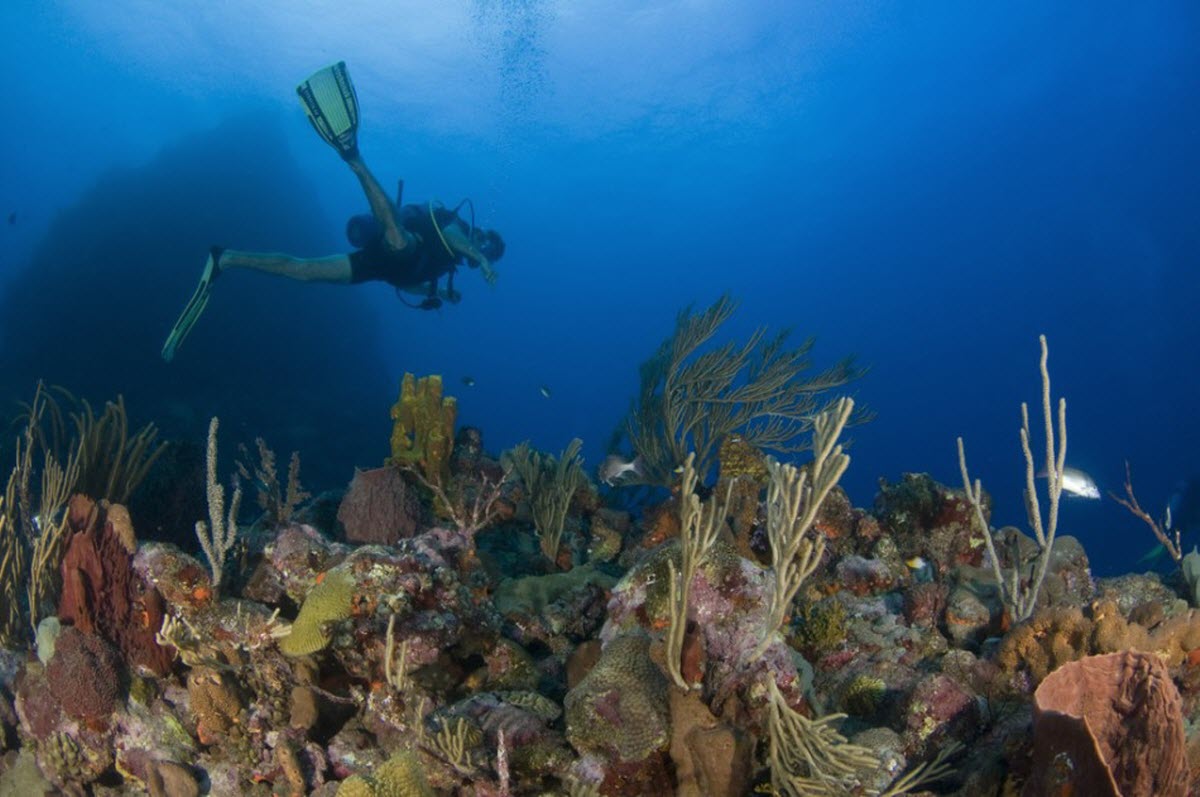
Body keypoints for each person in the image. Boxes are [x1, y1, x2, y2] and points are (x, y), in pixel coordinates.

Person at [162, 61, 505, 362]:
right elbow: (455, 239)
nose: (482, 249)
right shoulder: (455, 225)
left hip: (379, 266)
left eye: (486, 253)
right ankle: (354, 158)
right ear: (482, 234)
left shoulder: (447, 266)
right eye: (487, 243)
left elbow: (409, 284)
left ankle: (225, 258)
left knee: (304, 271)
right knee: (400, 241)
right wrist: (483, 258)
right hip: (396, 240)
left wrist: (442, 293)